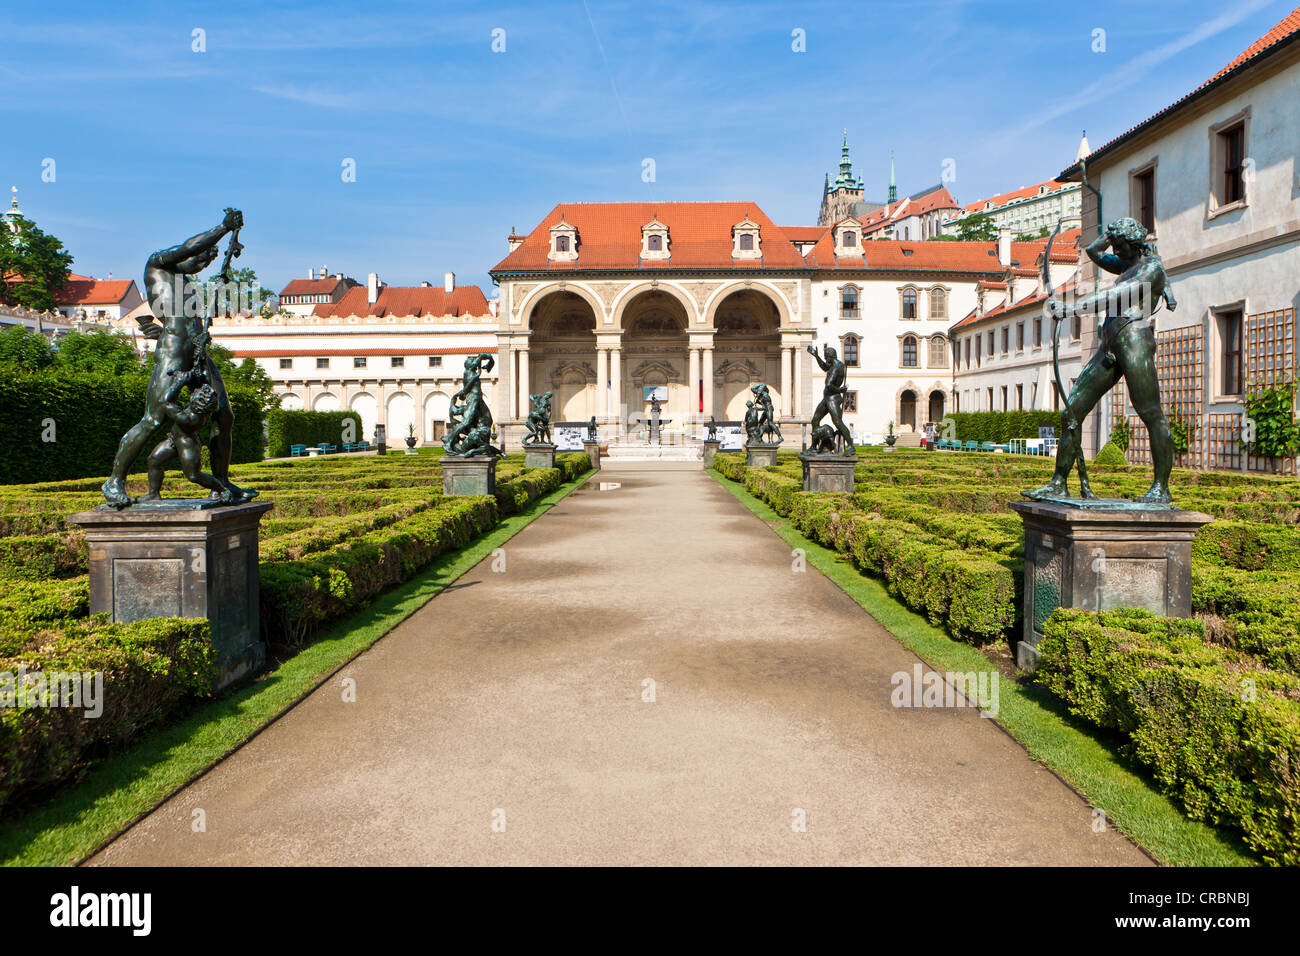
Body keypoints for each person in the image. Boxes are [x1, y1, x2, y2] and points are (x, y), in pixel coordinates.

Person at [102, 208, 255, 507]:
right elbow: (188, 247)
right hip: (173, 352)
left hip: (198, 354)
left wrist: (202, 335)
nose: (202, 262)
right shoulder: (158, 264)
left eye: (208, 259)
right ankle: (114, 481)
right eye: (200, 257)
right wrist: (223, 229)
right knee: (153, 418)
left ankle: (220, 483)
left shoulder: (187, 286)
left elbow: (192, 320)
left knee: (224, 415)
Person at [1025, 217, 1177, 503]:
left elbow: (1113, 296)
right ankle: (1059, 482)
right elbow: (1094, 253)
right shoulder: (1127, 265)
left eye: (1120, 247)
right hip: (1110, 344)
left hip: (1134, 344)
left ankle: (1161, 487)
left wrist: (1071, 308)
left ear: (1133, 244)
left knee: (1150, 413)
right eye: (1115, 247)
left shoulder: (1150, 270)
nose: (1116, 253)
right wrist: (1109, 234)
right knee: (1071, 412)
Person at [807, 343, 855, 454]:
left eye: (825, 356)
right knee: (815, 420)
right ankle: (814, 447)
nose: (825, 359)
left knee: (838, 422)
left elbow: (829, 384)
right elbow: (824, 367)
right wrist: (816, 356)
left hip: (832, 398)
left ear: (830, 356)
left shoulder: (837, 367)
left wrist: (840, 390)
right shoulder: (833, 364)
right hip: (827, 398)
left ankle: (851, 447)